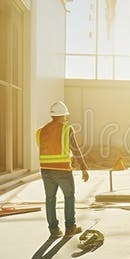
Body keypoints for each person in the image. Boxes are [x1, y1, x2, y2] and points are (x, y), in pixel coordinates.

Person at [37, 100, 89, 238]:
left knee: (50, 198)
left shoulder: (41, 131)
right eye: (66, 115)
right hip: (62, 170)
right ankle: (70, 227)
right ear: (63, 115)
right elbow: (75, 149)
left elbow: (42, 148)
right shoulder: (67, 129)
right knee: (69, 196)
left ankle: (53, 230)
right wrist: (83, 167)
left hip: (45, 170)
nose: (67, 118)